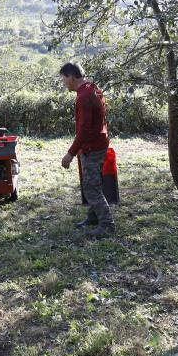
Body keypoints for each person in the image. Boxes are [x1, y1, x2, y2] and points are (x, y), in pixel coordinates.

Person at [58, 62, 114, 238]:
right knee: (92, 181)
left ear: (71, 77)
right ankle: (93, 217)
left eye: (64, 79)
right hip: (99, 142)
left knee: (91, 187)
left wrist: (70, 153)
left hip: (92, 145)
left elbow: (84, 130)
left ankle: (107, 224)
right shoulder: (92, 88)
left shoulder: (84, 97)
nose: (64, 83)